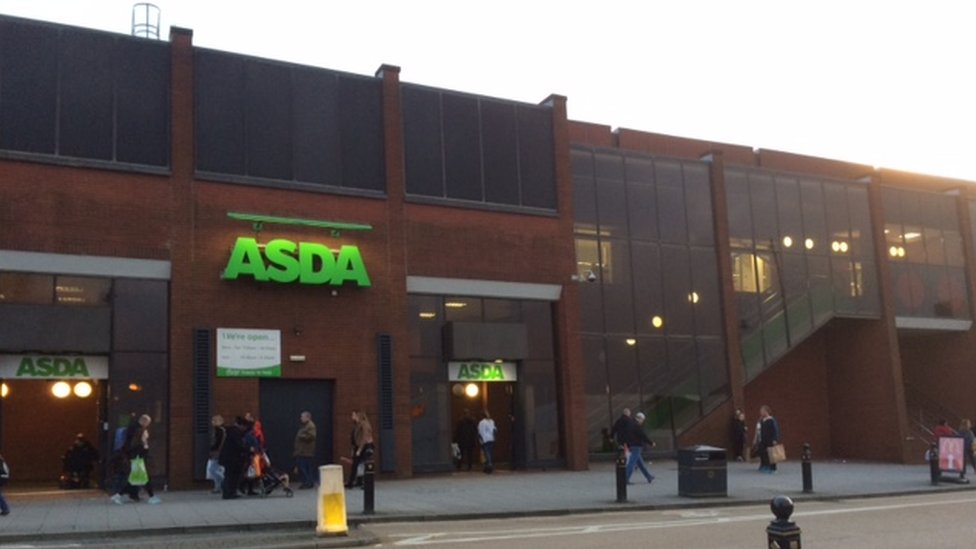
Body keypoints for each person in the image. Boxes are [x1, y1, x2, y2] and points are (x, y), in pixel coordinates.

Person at [110, 414, 161, 504]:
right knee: (143, 477)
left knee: (136, 478)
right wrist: (145, 447)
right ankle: (151, 497)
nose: (148, 425)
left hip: (134, 457)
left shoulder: (133, 428)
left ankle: (118, 495)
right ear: (144, 422)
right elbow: (138, 444)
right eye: (148, 423)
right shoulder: (139, 431)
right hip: (137, 457)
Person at [218, 417, 247, 500]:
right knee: (231, 476)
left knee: (229, 475)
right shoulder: (236, 433)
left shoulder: (230, 431)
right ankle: (229, 493)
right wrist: (247, 448)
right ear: (241, 425)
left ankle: (229, 492)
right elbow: (239, 445)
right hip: (232, 458)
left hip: (228, 458)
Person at [625, 412, 656, 484]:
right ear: (640, 419)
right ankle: (626, 478)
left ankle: (648, 476)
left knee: (640, 463)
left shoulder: (630, 424)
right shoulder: (637, 425)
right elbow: (643, 435)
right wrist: (651, 443)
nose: (642, 422)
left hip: (632, 445)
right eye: (642, 420)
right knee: (631, 463)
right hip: (637, 446)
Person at [346, 411, 375, 488]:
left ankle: (363, 483)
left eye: (354, 415)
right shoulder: (358, 425)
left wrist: (359, 449)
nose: (352, 417)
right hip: (359, 446)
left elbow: (364, 437)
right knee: (357, 464)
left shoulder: (364, 424)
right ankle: (356, 482)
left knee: (363, 465)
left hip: (365, 446)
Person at [293, 411, 317, 489]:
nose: (301, 418)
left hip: (306, 451)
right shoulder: (304, 426)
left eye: (302, 417)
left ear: (308, 417)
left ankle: (308, 482)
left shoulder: (310, 426)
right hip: (302, 451)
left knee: (304, 467)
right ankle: (307, 482)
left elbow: (312, 436)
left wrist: (301, 436)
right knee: (304, 467)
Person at [758, 405, 781, 473]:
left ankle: (773, 468)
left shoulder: (771, 420)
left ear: (766, 411)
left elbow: (775, 430)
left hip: (770, 440)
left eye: (762, 411)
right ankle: (765, 465)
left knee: (771, 454)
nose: (761, 412)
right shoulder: (762, 420)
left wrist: (775, 439)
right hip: (763, 440)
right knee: (763, 453)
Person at [207, 415, 226, 494]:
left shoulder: (219, 431)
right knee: (216, 469)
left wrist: (212, 448)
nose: (212, 422)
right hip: (219, 452)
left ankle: (223, 483)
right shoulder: (222, 430)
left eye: (214, 421)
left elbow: (217, 442)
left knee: (212, 469)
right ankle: (218, 487)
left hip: (217, 452)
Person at [0, 451, 10, 516]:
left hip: (1, 477)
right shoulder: (2, 461)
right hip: (4, 477)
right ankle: (5, 509)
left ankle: (5, 509)